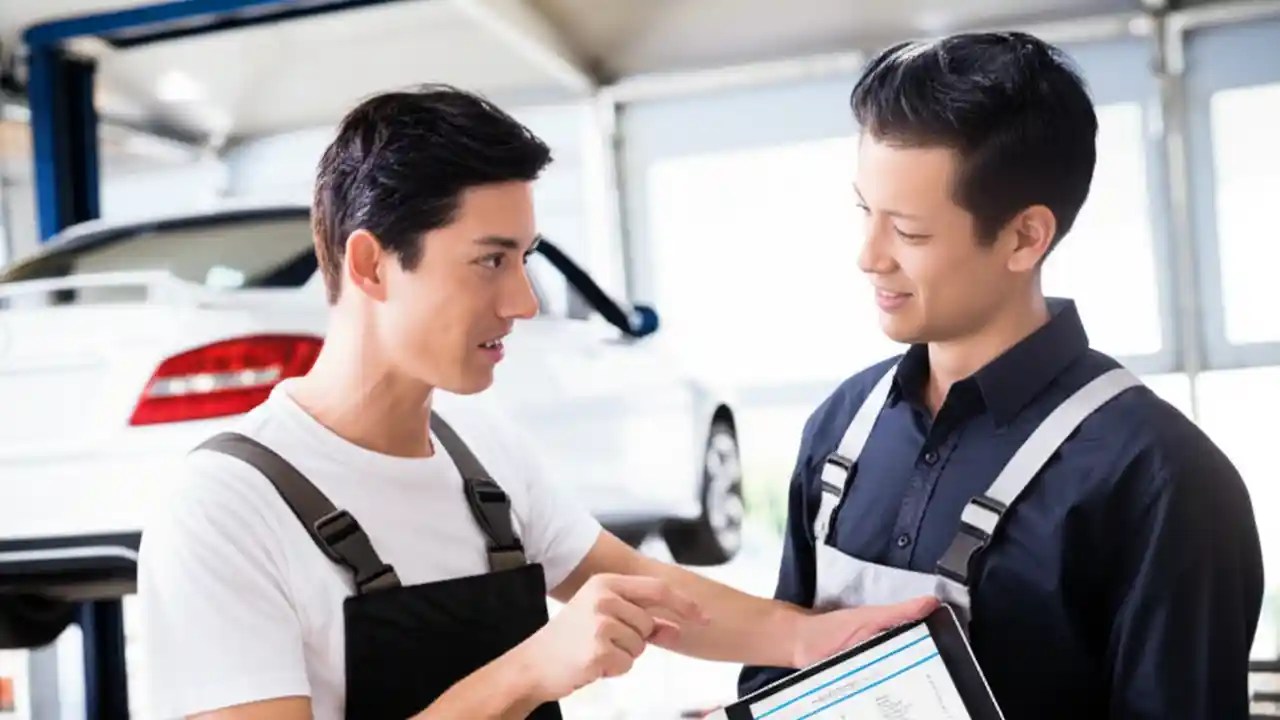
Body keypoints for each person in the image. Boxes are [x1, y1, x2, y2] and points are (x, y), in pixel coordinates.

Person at [136, 85, 936, 720]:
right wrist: (524, 675)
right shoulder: (224, 510)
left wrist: (815, 639)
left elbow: (649, 593)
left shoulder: (482, 452)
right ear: (373, 265)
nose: (522, 301)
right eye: (490, 262)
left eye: (525, 260)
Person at [737, 32, 1264, 720]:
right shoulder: (840, 426)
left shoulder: (1163, 479)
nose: (868, 256)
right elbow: (776, 675)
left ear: (1024, 237)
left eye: (909, 232)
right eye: (866, 211)